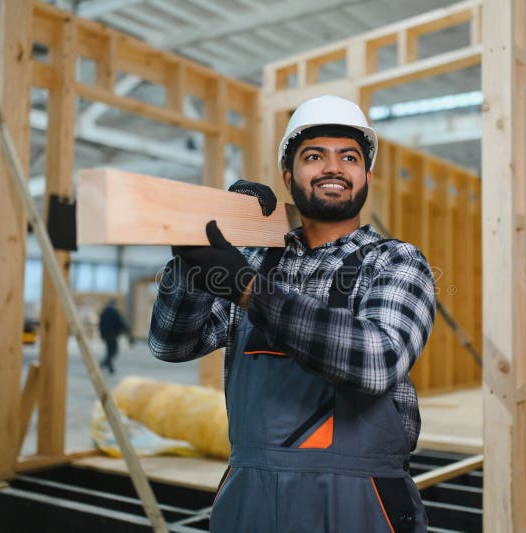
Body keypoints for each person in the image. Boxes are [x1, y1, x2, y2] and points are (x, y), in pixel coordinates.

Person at [149, 94, 436, 532]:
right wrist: (196, 255)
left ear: (366, 177)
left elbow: (378, 361)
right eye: (314, 156)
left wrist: (249, 291)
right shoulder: (257, 260)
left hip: (360, 505)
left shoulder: (396, 261)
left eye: (350, 157)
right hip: (252, 500)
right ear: (289, 175)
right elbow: (171, 342)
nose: (333, 168)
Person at [98, 299, 129, 374]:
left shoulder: (104, 312)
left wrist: (102, 335)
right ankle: (104, 364)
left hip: (106, 335)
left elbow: (100, 324)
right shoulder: (114, 312)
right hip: (112, 335)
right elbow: (119, 322)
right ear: (114, 305)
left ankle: (109, 367)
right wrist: (127, 330)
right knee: (114, 351)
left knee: (110, 351)